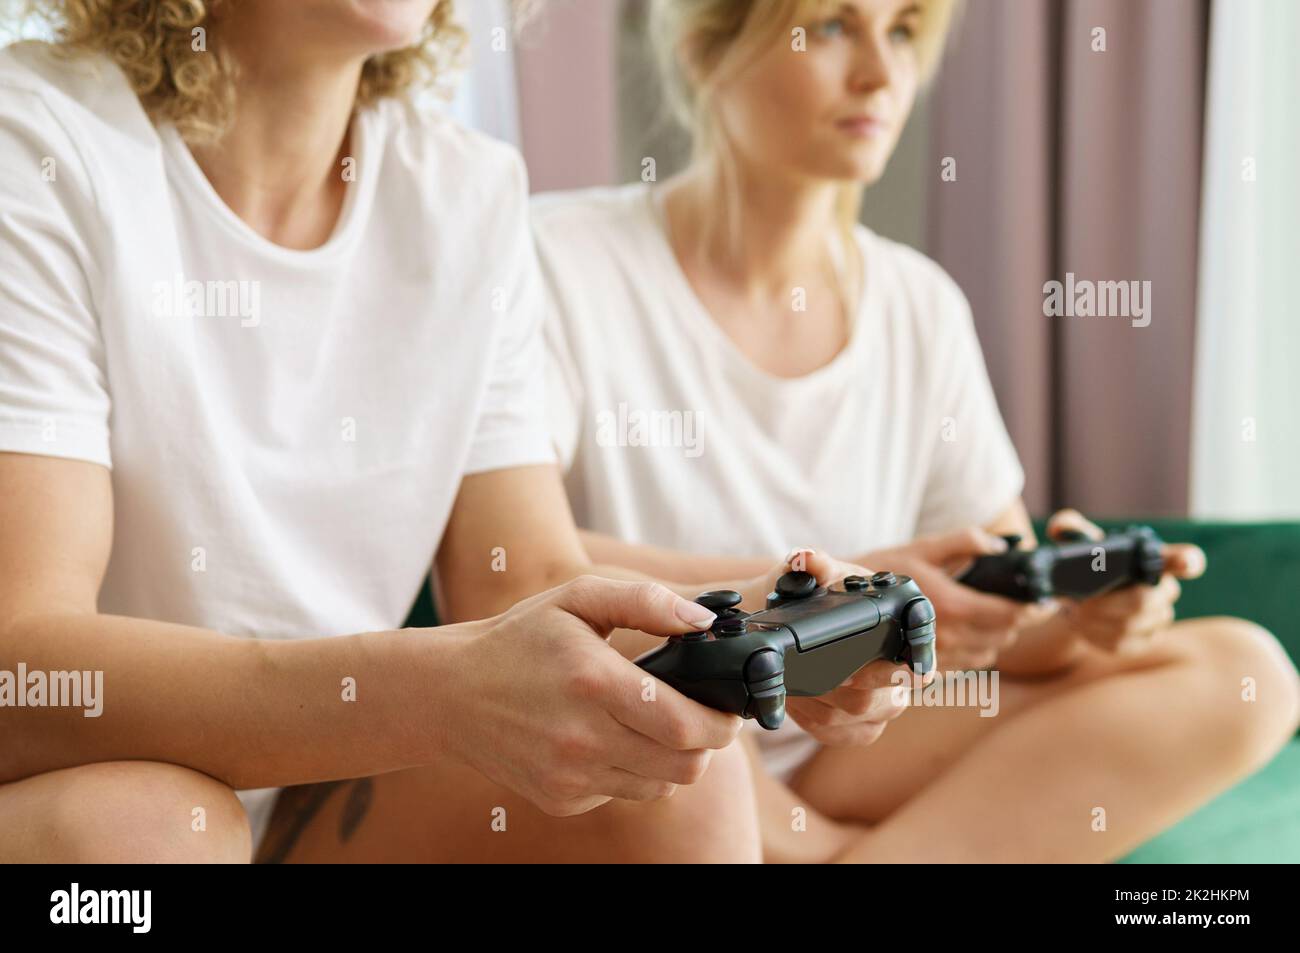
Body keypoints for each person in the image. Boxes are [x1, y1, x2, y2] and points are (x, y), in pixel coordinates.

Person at [0, 0, 917, 864]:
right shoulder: (39, 142)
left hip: (315, 793)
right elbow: (21, 666)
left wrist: (733, 617)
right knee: (154, 831)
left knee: (675, 761)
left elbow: (520, 581)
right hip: (69, 786)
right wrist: (438, 693)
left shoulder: (467, 192)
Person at [534, 0, 1300, 861]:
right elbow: (530, 574)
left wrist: (1076, 615)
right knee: (680, 735)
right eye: (829, 26)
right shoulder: (561, 261)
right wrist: (853, 589)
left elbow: (1003, 621)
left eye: (901, 30)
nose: (881, 70)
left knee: (1247, 674)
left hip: (863, 739)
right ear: (705, 46)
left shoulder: (920, 304)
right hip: (677, 731)